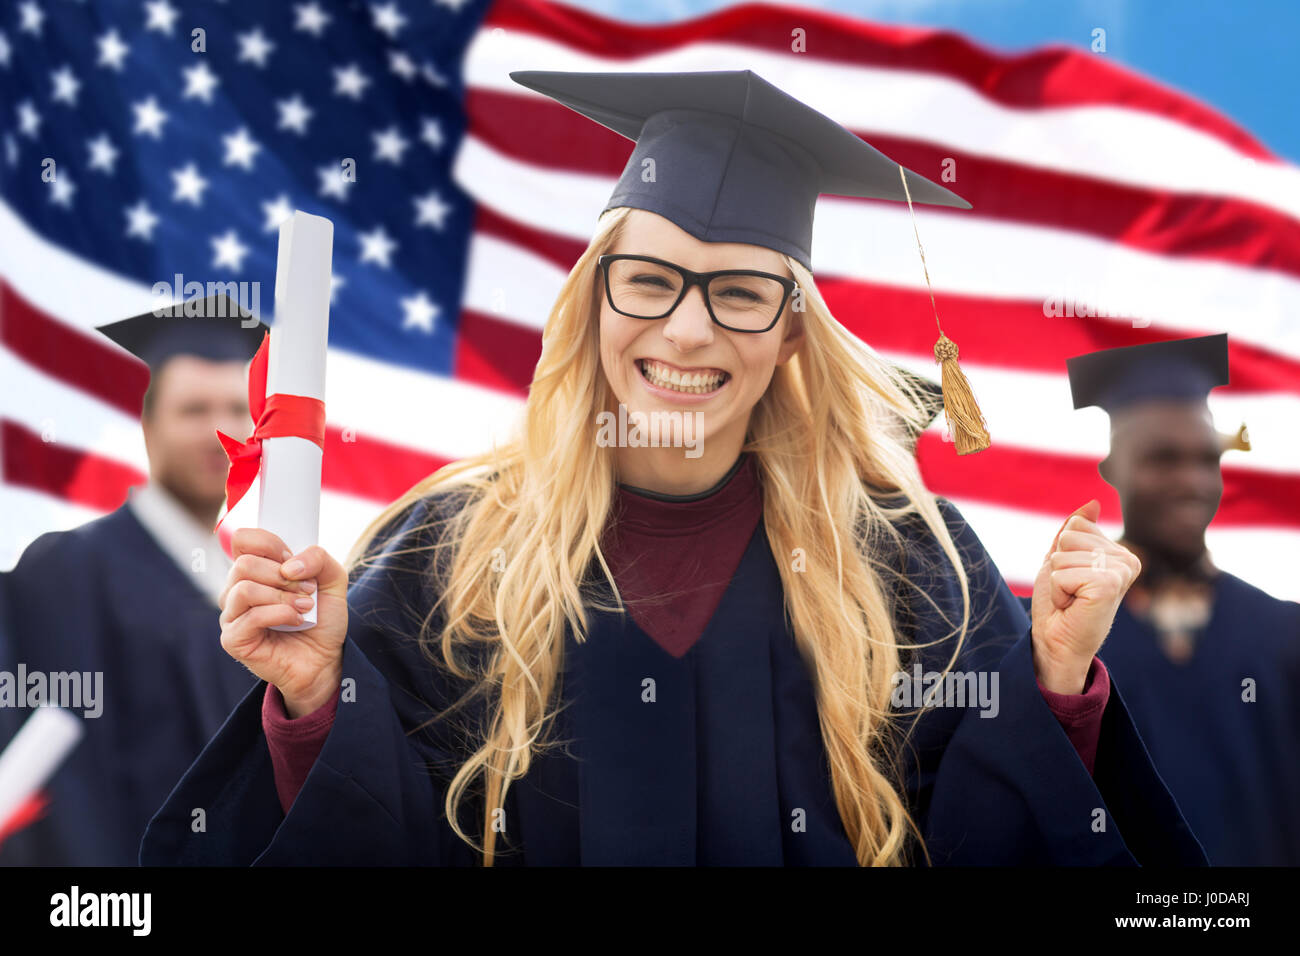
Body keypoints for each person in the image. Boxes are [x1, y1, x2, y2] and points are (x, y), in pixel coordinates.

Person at [141, 70, 1205, 866]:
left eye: (739, 292)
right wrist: (316, 703)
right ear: (593, 298)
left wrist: (1055, 683)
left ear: (791, 332)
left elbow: (987, 835)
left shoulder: (908, 564)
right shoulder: (451, 554)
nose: (688, 330)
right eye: (649, 281)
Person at [0, 294, 264, 865]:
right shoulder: (72, 568)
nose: (218, 431)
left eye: (234, 409)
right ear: (148, 427)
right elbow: (70, 794)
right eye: (193, 410)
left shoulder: (246, 583)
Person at [1056, 333, 1300, 865]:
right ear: (1112, 468)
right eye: (1163, 459)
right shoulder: (1063, 642)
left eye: (1206, 459)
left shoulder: (1286, 634)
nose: (1191, 481)